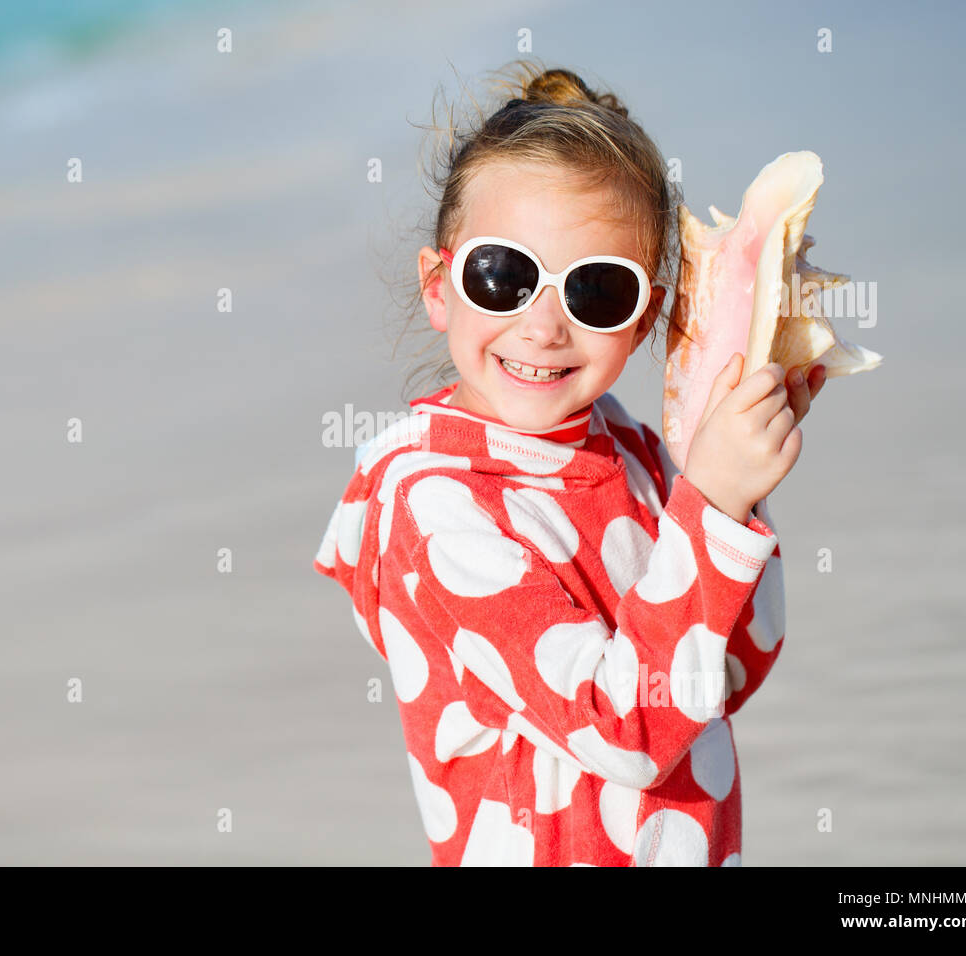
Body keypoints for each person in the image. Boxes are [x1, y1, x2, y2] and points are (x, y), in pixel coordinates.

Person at [313, 60, 827, 866]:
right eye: (503, 276)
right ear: (440, 285)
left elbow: (735, 666)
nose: (544, 326)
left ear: (646, 318)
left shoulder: (627, 449)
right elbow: (629, 732)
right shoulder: (435, 507)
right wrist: (715, 509)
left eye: (595, 292)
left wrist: (722, 478)